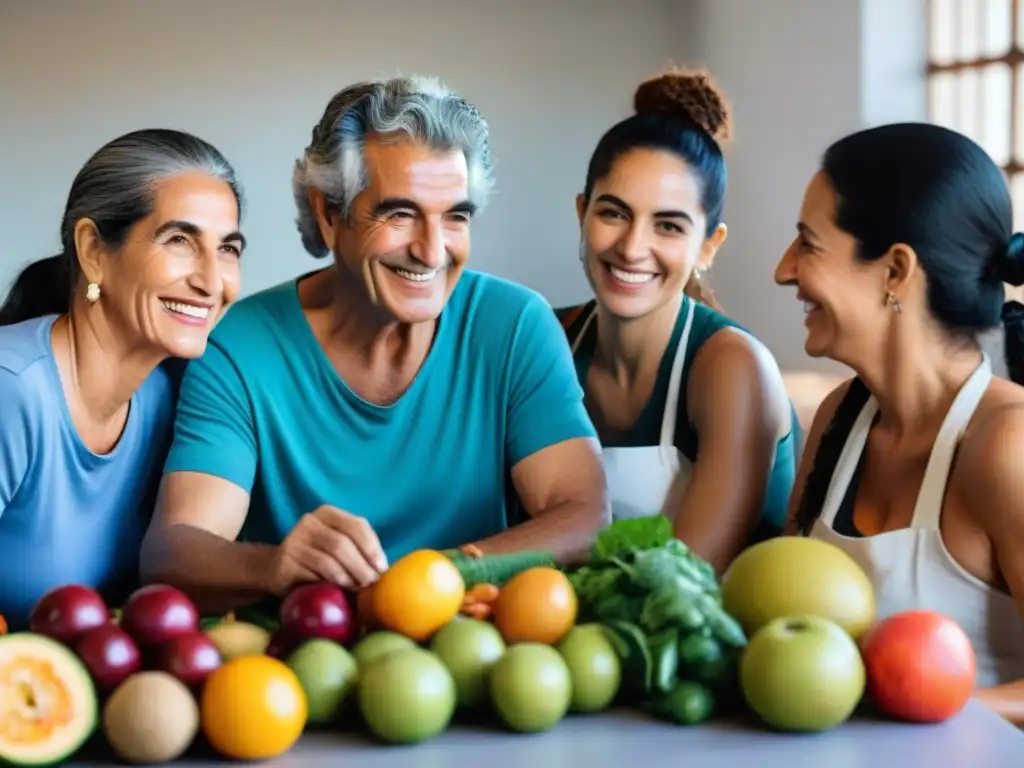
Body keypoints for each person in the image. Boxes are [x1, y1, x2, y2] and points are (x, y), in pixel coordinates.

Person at [139, 75, 610, 614]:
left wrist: (434, 582)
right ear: (330, 213)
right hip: (296, 667)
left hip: (478, 656)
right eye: (400, 213)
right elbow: (172, 550)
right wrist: (273, 566)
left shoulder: (515, 326)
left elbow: (583, 515)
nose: (432, 251)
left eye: (455, 216)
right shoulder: (240, 348)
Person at [777, 122, 1024, 722]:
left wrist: (912, 712)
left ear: (895, 271)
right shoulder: (841, 417)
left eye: (807, 244)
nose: (784, 270)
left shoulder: (1007, 446)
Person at [0, 129, 246, 630]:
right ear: (93, 250)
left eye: (227, 248)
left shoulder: (172, 395)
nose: (211, 280)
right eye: (180, 240)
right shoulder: (12, 390)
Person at [557, 69, 799, 575]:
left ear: (709, 246)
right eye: (613, 214)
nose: (632, 247)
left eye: (668, 225)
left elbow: (684, 580)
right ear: (582, 213)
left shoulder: (733, 366)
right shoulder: (547, 341)